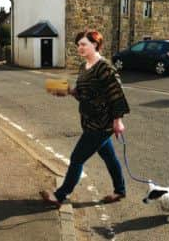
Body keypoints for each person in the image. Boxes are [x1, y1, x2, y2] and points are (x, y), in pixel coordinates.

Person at [40, 30, 130, 206]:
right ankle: (120, 191)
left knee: (77, 158)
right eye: (78, 45)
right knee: (109, 158)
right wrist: (68, 91)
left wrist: (118, 121)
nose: (79, 48)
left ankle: (60, 195)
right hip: (89, 121)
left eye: (83, 44)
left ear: (95, 45)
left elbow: (116, 94)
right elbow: (84, 94)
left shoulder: (104, 67)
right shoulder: (84, 67)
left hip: (101, 124)